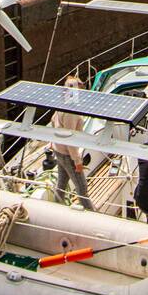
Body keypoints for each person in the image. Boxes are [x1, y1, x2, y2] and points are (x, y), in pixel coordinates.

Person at [51, 76, 94, 211]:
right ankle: (92, 215)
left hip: (58, 150)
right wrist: (77, 162)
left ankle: (55, 208)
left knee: (61, 183)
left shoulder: (61, 105)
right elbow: (70, 139)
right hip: (68, 154)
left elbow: (53, 121)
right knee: (82, 189)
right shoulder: (71, 112)